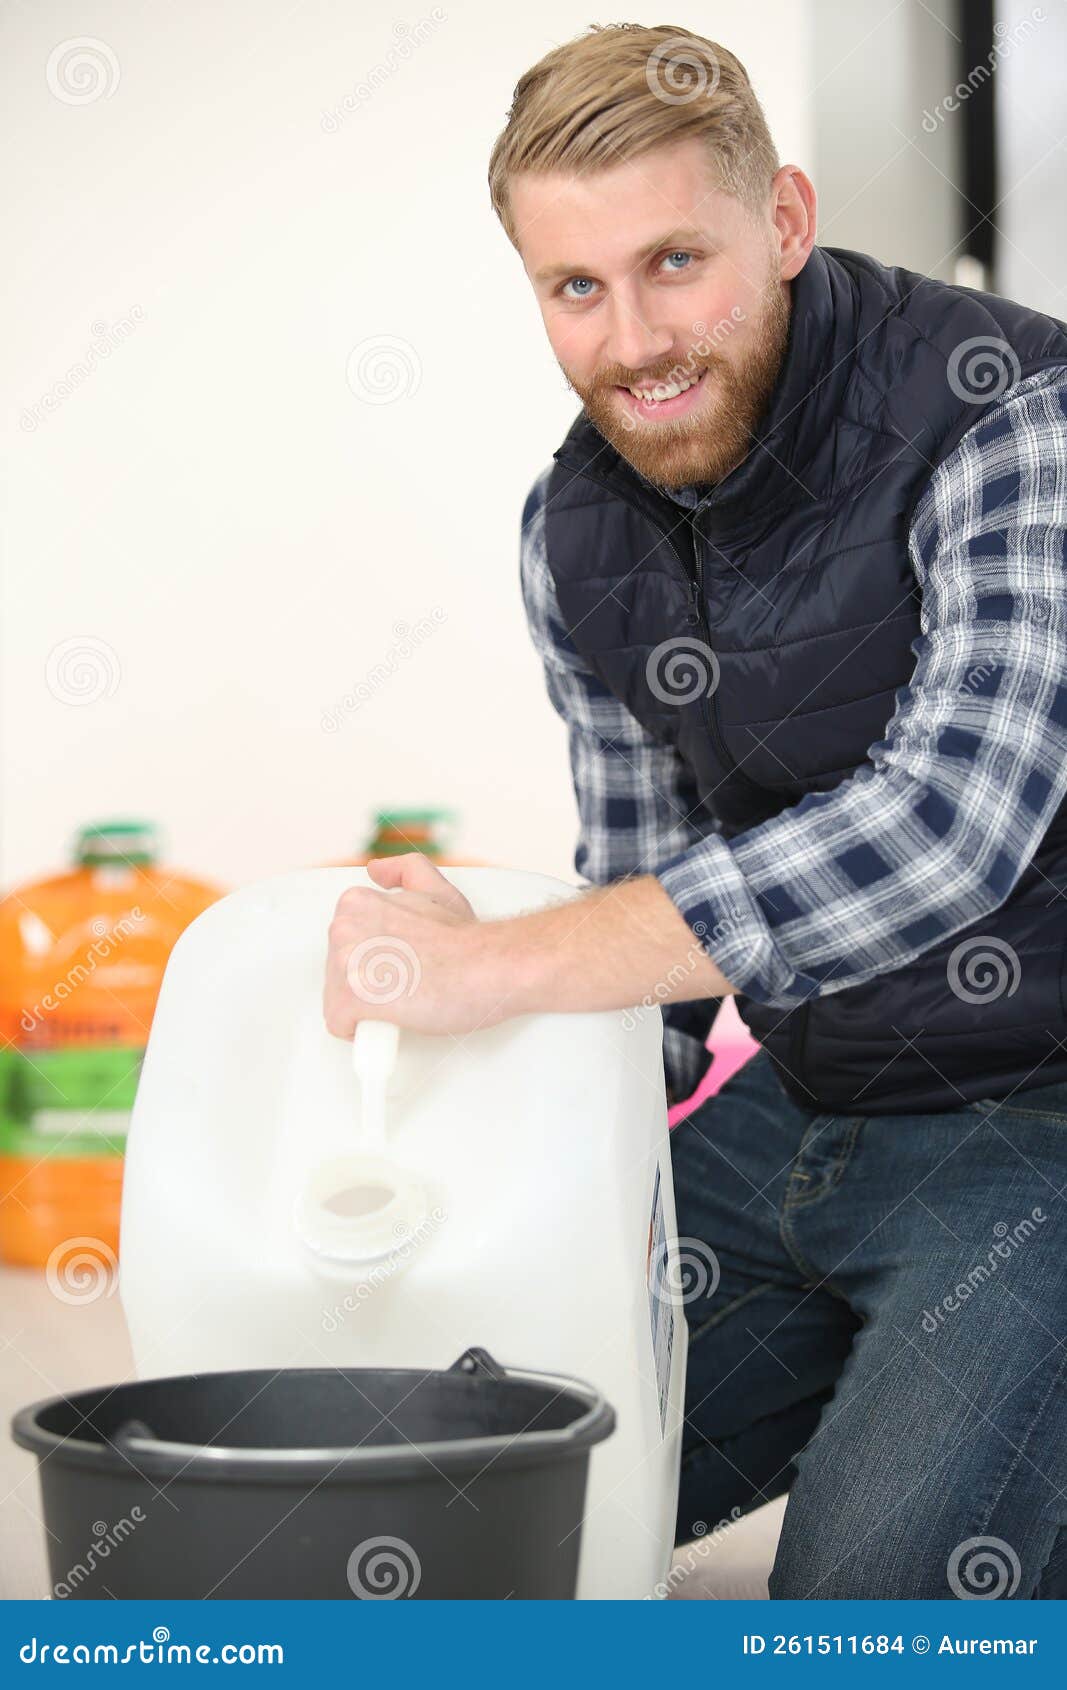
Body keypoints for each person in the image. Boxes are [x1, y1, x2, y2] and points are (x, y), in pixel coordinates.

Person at [324, 25, 1067, 1598]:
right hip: (796, 1107)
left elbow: (949, 826)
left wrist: (495, 965)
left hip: (1039, 1130)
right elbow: (645, 888)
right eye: (575, 288)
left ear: (784, 221)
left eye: (676, 261)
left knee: (863, 1620)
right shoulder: (574, 528)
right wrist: (492, 1183)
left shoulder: (1014, 416)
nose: (636, 338)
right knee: (431, 1524)